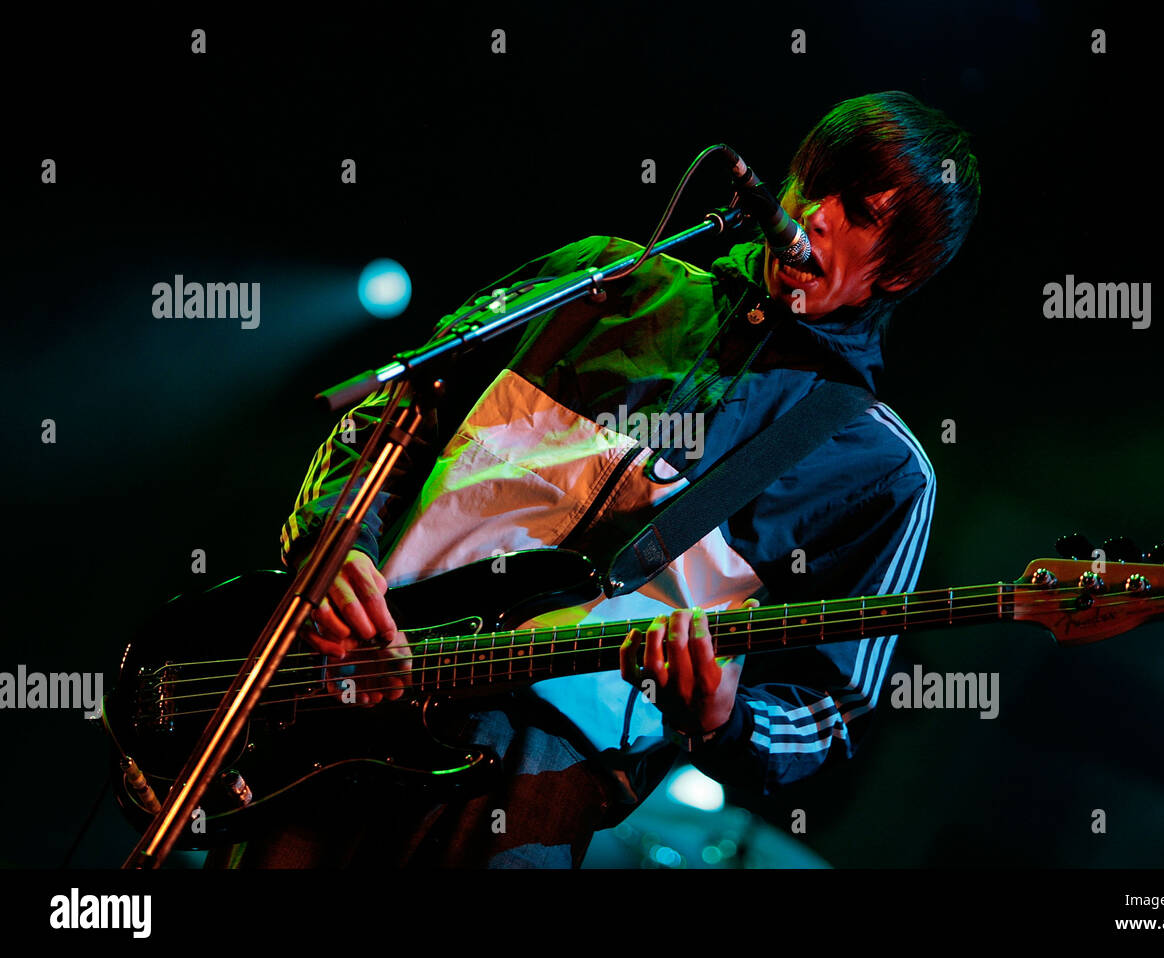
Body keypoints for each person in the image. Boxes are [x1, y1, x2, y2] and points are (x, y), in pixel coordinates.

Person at [210, 90, 980, 868]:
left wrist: (723, 716)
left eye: (856, 210)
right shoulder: (605, 279)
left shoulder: (876, 467)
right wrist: (337, 550)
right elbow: (394, 413)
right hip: (351, 681)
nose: (813, 214)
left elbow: (832, 711)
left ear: (902, 271)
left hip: (538, 772)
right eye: (809, 183)